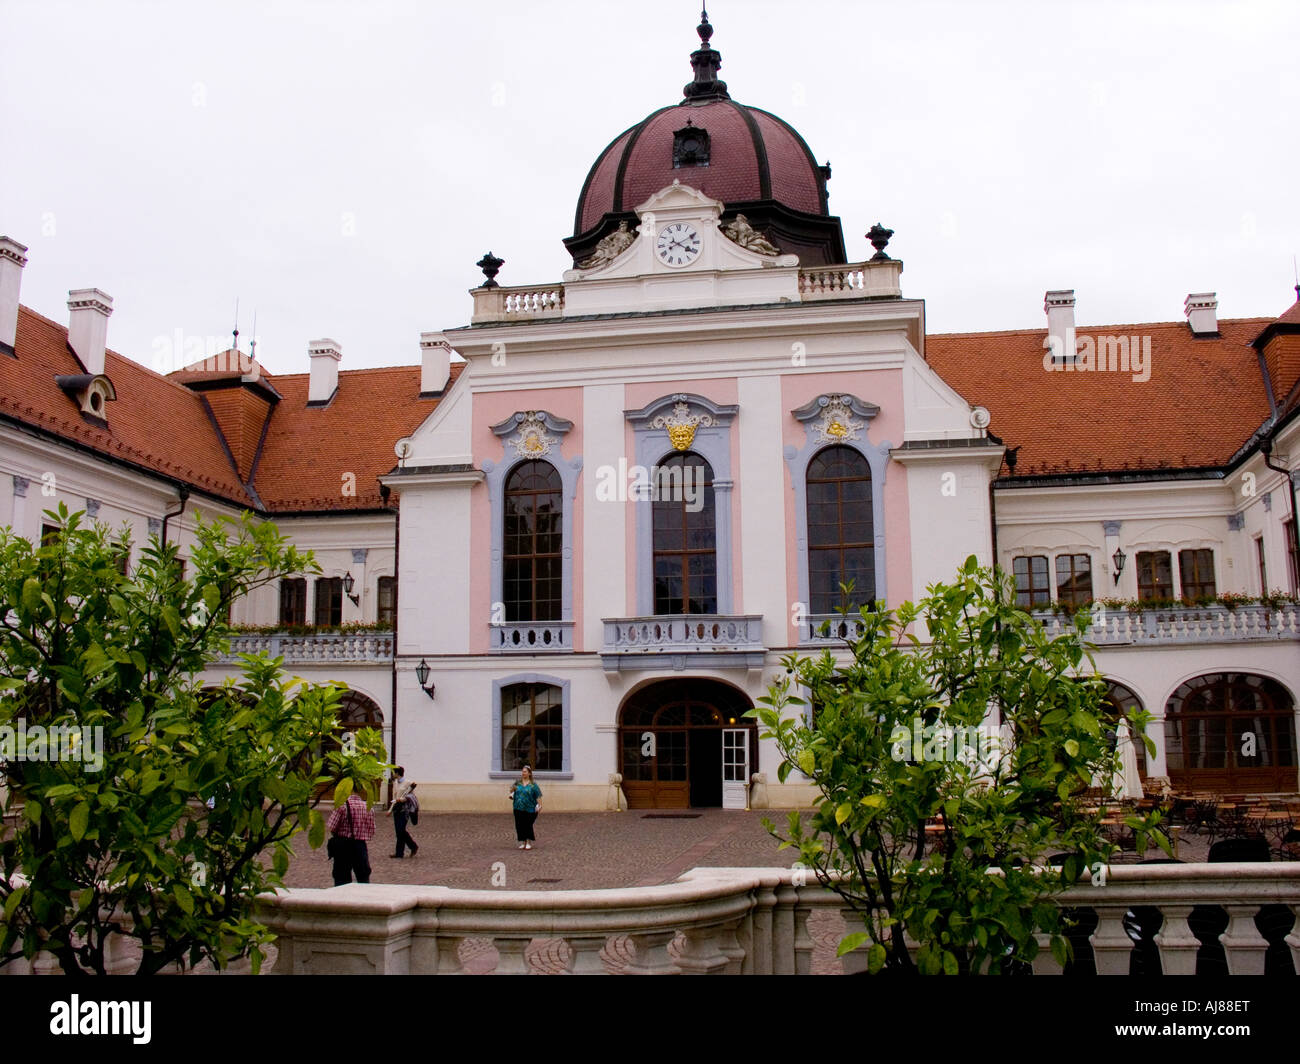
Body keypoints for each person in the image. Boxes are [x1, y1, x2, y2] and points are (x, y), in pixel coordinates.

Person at [326, 790, 375, 885]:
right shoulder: (368, 807)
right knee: (363, 878)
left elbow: (332, 826)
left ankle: (342, 899)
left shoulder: (342, 806)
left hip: (343, 846)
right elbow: (372, 830)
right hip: (360, 846)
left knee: (341, 878)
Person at [385, 766, 419, 858]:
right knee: (399, 831)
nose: (393, 774)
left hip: (405, 810)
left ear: (397, 773)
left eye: (394, 772)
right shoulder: (395, 783)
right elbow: (394, 798)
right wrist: (390, 810)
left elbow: (411, 797)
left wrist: (402, 800)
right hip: (397, 809)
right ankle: (400, 853)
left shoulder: (408, 783)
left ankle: (413, 846)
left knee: (401, 830)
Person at [509, 765, 542, 850]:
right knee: (519, 825)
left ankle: (528, 842)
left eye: (525, 771)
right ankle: (523, 842)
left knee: (528, 825)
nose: (523, 773)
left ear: (529, 773)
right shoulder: (518, 783)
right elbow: (511, 791)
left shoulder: (533, 785)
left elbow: (538, 796)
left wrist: (540, 806)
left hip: (530, 808)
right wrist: (512, 789)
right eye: (522, 771)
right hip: (518, 807)